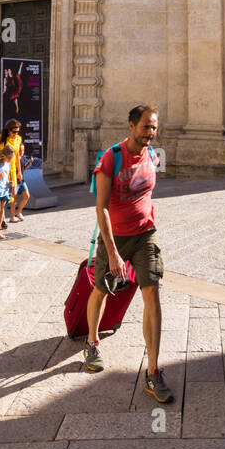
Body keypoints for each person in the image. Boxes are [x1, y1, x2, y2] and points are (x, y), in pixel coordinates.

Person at [84, 105, 173, 404]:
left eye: (154, 127)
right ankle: (92, 341)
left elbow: (145, 193)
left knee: (153, 292)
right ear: (132, 125)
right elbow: (102, 207)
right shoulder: (111, 158)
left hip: (145, 234)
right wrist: (112, 253)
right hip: (116, 238)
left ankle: (153, 371)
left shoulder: (152, 155)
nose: (151, 132)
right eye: (146, 126)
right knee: (101, 290)